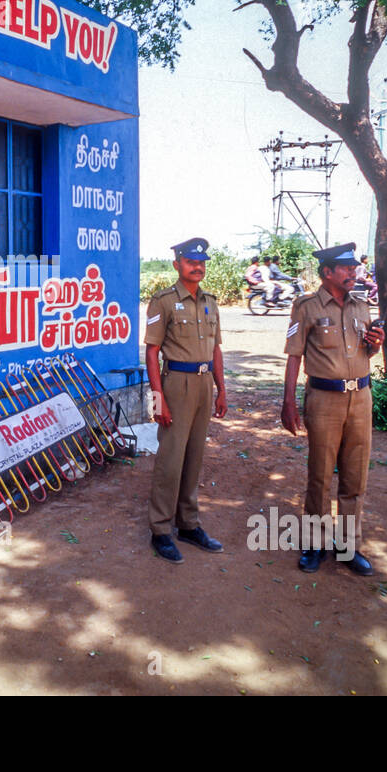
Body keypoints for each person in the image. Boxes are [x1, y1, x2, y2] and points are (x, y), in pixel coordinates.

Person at [280, 242, 384, 576]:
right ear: (327, 272)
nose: (354, 272)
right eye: (346, 268)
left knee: (355, 477)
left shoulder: (361, 305)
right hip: (324, 399)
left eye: (354, 268)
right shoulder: (307, 306)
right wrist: (288, 402)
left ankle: (348, 546)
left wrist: (376, 345)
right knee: (321, 476)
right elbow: (294, 354)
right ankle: (314, 544)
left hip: (361, 399)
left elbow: (366, 353)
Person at [143, 237, 229, 563]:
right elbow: (152, 352)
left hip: (205, 383)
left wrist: (222, 389)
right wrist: (157, 399)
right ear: (177, 264)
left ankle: (189, 524)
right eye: (191, 261)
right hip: (176, 384)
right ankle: (161, 530)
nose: (198, 266)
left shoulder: (211, 302)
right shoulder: (163, 301)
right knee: (170, 459)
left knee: (194, 457)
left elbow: (216, 349)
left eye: (202, 261)